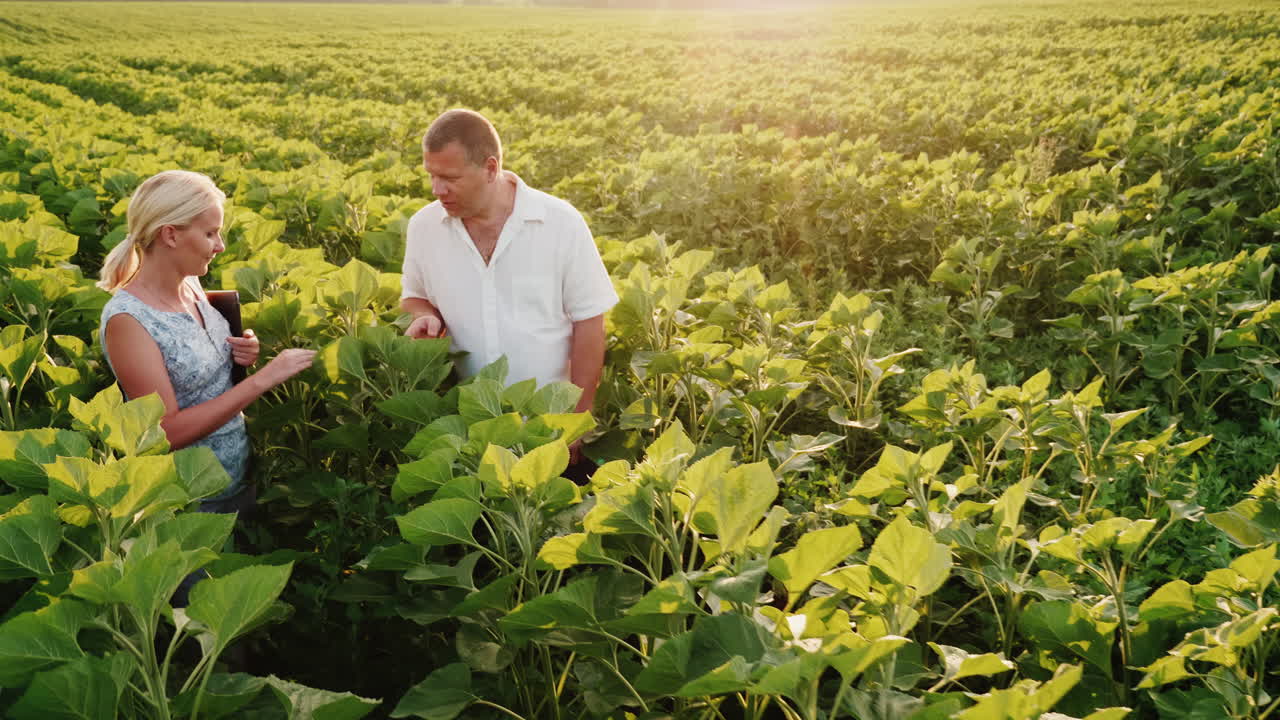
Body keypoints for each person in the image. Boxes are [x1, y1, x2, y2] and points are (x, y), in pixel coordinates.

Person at [400, 109, 618, 467]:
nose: (437, 189)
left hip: (548, 430)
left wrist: (576, 422)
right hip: (469, 435)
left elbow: (590, 324)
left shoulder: (560, 223)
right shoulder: (425, 227)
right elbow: (413, 295)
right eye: (431, 175)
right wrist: (424, 316)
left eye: (449, 177)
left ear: (489, 168)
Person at [98, 170, 317, 513]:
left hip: (235, 479)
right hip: (185, 500)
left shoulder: (191, 284)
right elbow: (164, 433)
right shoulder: (128, 321)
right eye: (210, 233)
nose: (220, 245)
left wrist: (243, 349)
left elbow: (196, 351)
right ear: (170, 234)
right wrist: (263, 379)